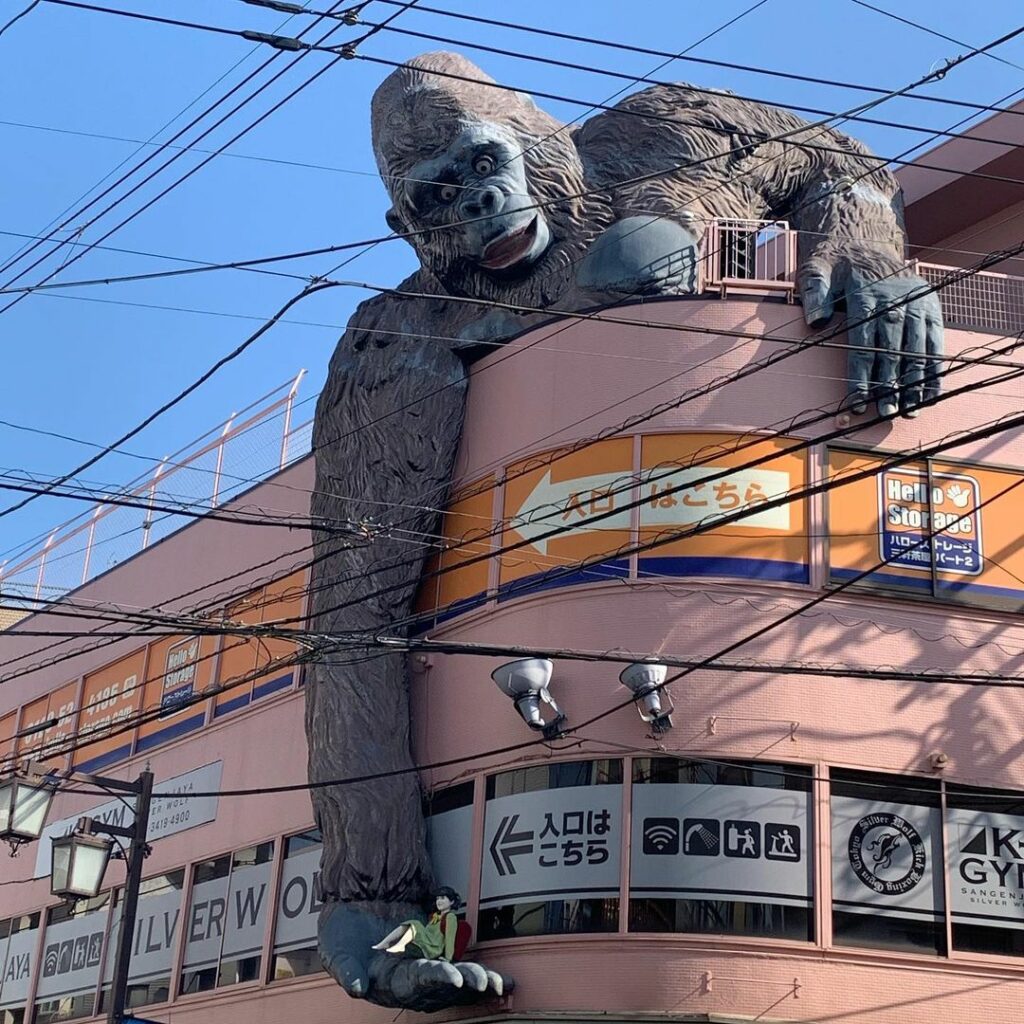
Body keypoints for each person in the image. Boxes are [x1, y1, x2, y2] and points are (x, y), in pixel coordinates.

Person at [372, 887, 461, 961]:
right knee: (409, 926)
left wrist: (448, 958)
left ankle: (400, 945)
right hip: (426, 943)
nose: (439, 901)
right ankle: (385, 942)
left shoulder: (450, 917)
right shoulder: (435, 916)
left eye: (442, 898)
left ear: (452, 902)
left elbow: (450, 938)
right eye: (437, 898)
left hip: (433, 948)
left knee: (415, 923)